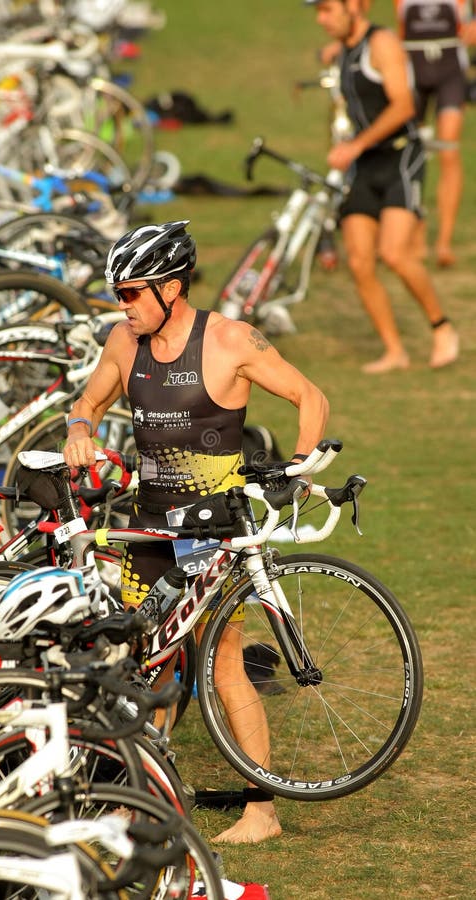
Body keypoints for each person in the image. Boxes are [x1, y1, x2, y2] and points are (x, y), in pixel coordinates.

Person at [63, 220, 329, 843]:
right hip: (150, 529)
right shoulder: (124, 343)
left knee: (224, 662)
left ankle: (262, 810)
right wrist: (79, 427)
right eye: (117, 294)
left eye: (131, 293)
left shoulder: (231, 340)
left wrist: (299, 466)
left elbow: (309, 397)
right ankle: (137, 799)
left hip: (213, 528)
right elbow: (91, 401)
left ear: (172, 287)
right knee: (142, 662)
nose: (121, 307)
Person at [305, 0, 460, 374]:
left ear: (354, 6)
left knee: (394, 254)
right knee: (359, 261)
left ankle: (442, 328)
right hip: (365, 166)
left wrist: (357, 144)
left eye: (327, 10)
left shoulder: (383, 42)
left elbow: (405, 106)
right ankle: (395, 351)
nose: (320, 19)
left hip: (400, 158)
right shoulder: (343, 50)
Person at [394, 0, 476, 268]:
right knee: (411, 154)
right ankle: (416, 235)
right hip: (412, 70)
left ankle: (444, 241)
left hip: (450, 71)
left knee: (448, 151)